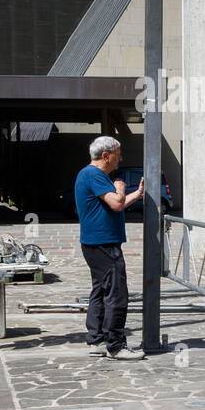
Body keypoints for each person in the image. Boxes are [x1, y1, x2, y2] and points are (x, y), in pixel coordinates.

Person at [74, 136, 146, 360]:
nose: (120, 158)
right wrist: (120, 187)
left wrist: (138, 194)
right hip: (104, 244)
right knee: (116, 293)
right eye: (118, 154)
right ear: (106, 155)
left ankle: (96, 340)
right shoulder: (95, 175)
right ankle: (115, 345)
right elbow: (116, 203)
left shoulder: (88, 174)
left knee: (100, 290)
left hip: (94, 244)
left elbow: (115, 203)